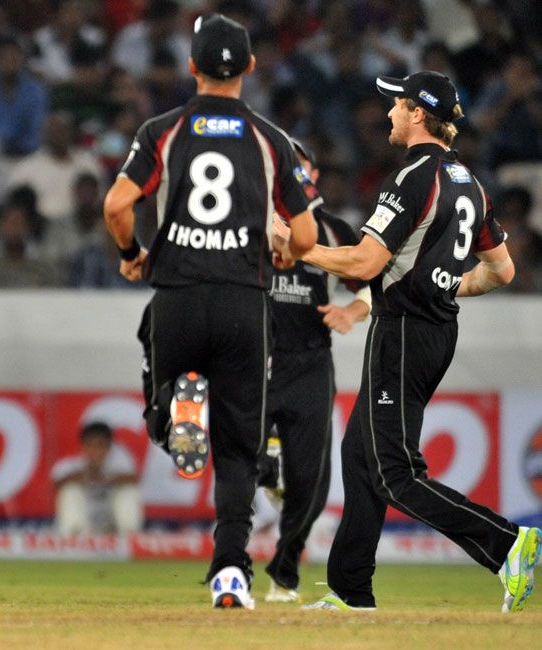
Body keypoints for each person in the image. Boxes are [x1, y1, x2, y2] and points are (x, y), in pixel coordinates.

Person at [285, 70, 541, 612]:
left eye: (397, 105)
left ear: (419, 114)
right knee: (360, 456)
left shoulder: (414, 177)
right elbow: (502, 269)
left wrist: (298, 248)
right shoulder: (467, 181)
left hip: (402, 334)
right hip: (432, 331)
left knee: (394, 474)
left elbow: (364, 261)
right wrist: (445, 284)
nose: (389, 114)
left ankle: (508, 544)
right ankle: (352, 592)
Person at [102, 14, 317, 610]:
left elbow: (118, 204)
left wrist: (131, 253)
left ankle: (171, 414)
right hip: (243, 302)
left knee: (158, 380)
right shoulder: (272, 140)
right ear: (250, 67)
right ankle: (230, 573)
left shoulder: (162, 130)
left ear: (192, 66)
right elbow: (305, 233)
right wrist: (284, 246)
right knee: (239, 450)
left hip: (176, 297)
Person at [259, 139, 371, 604]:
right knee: (252, 462)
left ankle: (284, 574)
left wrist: (353, 312)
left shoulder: (331, 228)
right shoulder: (247, 221)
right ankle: (267, 478)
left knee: (312, 481)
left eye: (297, 167)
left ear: (313, 176)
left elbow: (378, 285)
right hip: (255, 363)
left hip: (310, 364)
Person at [50, 422, 143, 535]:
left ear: (109, 446)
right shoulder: (70, 465)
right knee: (69, 491)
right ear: (83, 445)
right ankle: (75, 535)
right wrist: (85, 475)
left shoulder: (120, 463)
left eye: (100, 445)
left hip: (112, 524)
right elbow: (56, 484)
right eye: (90, 445)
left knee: (129, 491)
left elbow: (134, 480)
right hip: (85, 523)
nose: (95, 450)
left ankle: (130, 534)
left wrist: (104, 477)